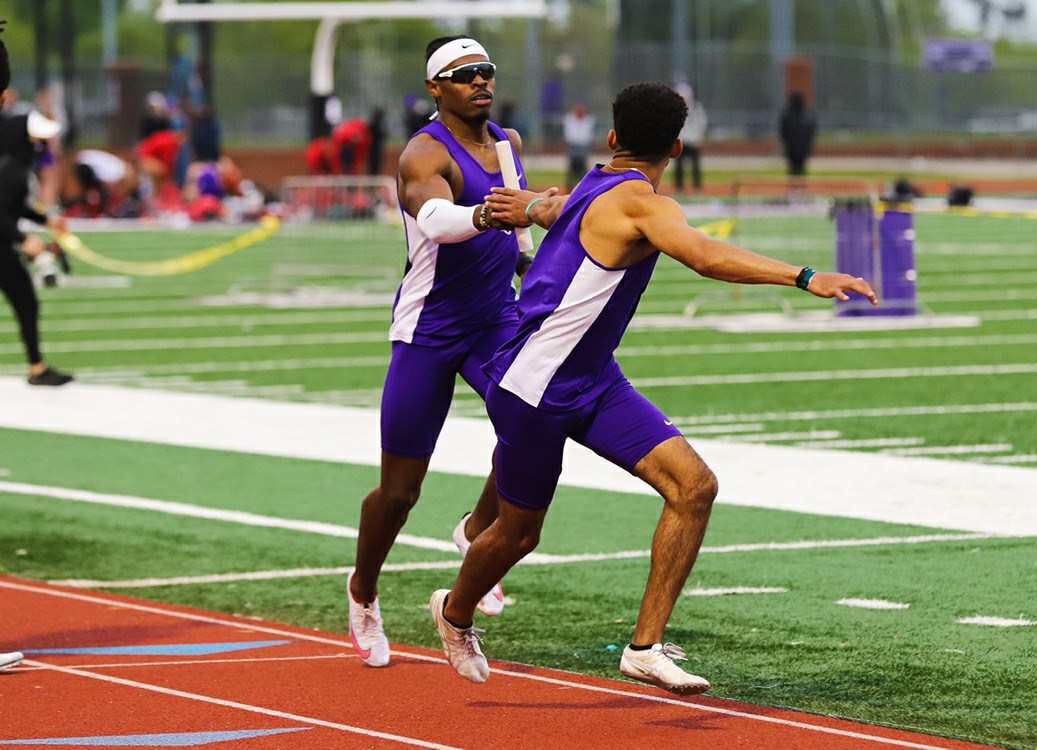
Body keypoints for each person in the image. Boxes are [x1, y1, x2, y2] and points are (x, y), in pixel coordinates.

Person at [431, 82, 877, 694]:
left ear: (612, 139)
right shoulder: (644, 204)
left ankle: (645, 648)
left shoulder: (592, 180)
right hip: (533, 385)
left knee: (694, 487)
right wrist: (806, 276)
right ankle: (454, 613)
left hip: (591, 380)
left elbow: (558, 208)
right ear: (676, 146)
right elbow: (704, 256)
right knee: (519, 533)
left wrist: (529, 203)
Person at [347, 35, 534, 669]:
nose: (480, 82)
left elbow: (515, 228)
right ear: (436, 87)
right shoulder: (423, 153)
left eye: (486, 71)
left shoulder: (506, 144)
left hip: (494, 321)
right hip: (428, 328)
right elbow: (437, 221)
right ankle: (364, 591)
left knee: (535, 421)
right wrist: (486, 218)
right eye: (463, 75)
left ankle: (476, 530)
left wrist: (534, 265)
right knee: (399, 493)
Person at [0, 26, 73, 386]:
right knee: (26, 300)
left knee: (26, 301)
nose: (39, 144)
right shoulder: (10, 168)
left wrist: (46, 219)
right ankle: (37, 367)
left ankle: (37, 367)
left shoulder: (15, 166)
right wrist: (23, 238)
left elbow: (14, 208)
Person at [780, 91, 818, 200]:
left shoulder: (794, 115)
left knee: (795, 170)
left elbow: (783, 132)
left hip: (794, 148)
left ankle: (796, 191)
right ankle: (798, 190)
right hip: (800, 149)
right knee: (798, 170)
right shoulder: (803, 115)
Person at [673, 83, 705, 195]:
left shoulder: (696, 108)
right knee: (679, 167)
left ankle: (697, 189)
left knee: (696, 166)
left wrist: (698, 137)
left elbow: (701, 123)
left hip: (693, 141)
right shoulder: (675, 109)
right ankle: (679, 189)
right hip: (680, 141)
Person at [562, 103, 596, 191]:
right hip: (573, 146)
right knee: (572, 168)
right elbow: (568, 134)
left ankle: (583, 186)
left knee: (583, 168)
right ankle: (569, 187)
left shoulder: (588, 121)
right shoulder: (569, 120)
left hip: (584, 146)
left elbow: (589, 135)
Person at [366, 107, 387, 176]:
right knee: (374, 166)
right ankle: (372, 183)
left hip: (372, 148)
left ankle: (372, 182)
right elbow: (382, 135)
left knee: (373, 167)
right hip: (374, 148)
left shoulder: (372, 124)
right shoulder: (377, 125)